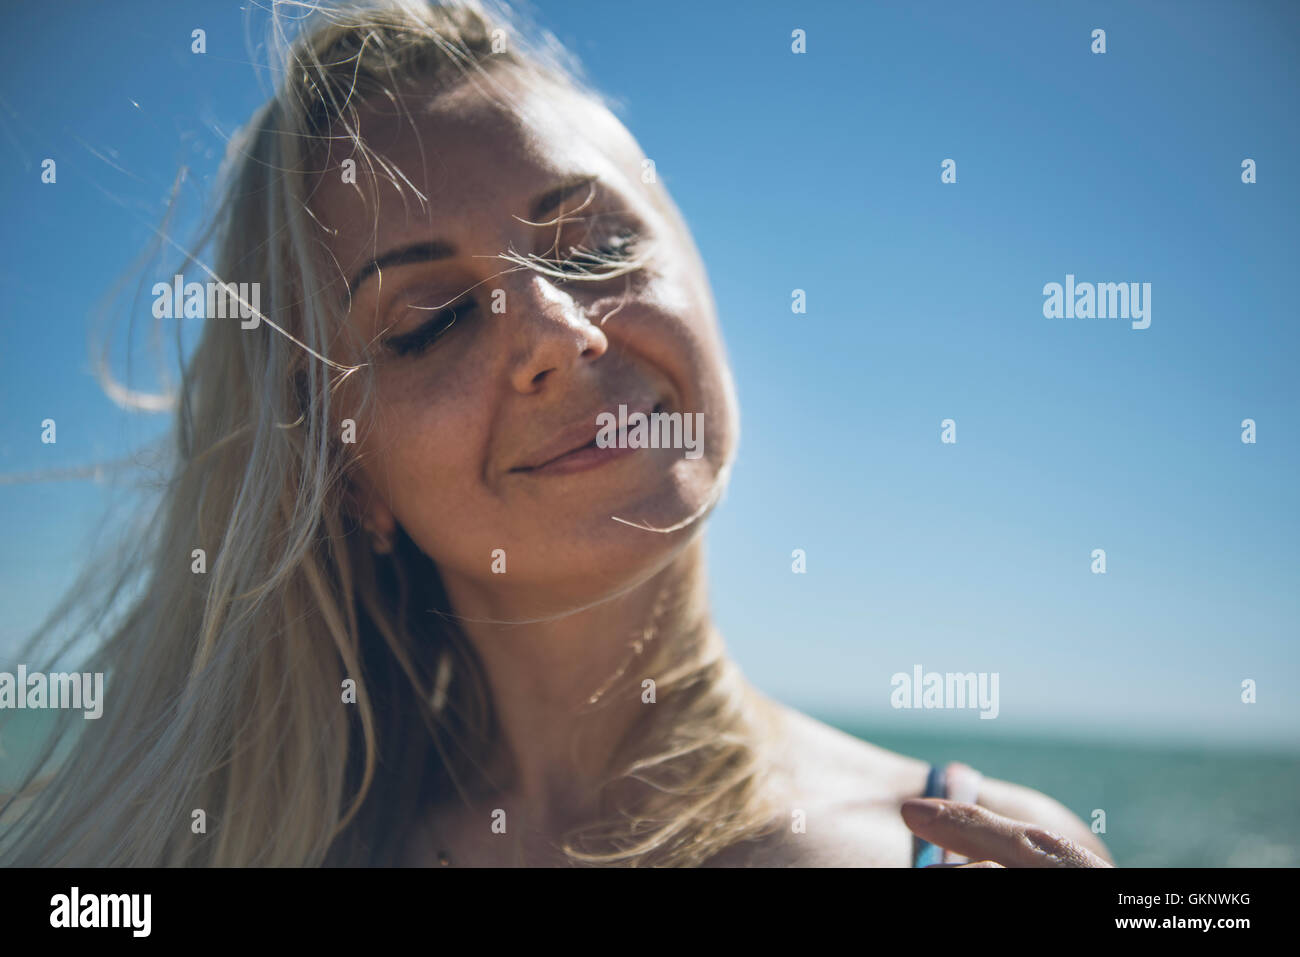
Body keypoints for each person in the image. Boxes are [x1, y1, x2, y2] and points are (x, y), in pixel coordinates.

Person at [0, 0, 1112, 868]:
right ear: (347, 478)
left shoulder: (980, 850)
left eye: (590, 249)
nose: (553, 329)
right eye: (432, 321)